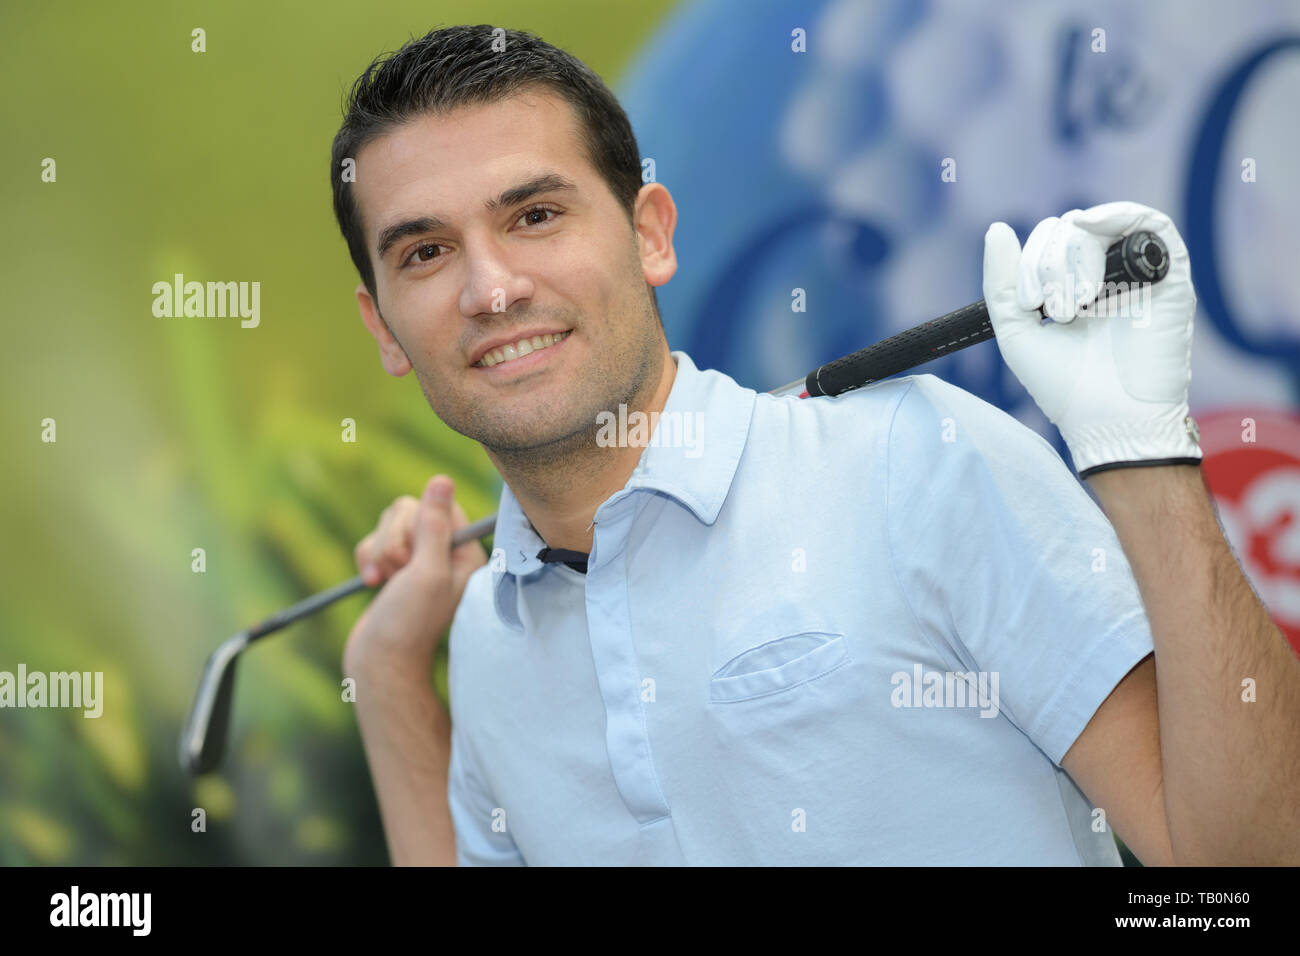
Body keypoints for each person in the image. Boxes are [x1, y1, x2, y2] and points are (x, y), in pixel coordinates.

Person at [331, 25, 1300, 866]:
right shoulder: (489, 643)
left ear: (650, 236)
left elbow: (1238, 871)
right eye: (425, 251)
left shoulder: (920, 462)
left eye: (534, 215)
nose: (490, 287)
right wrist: (385, 675)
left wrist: (1141, 453)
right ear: (380, 330)